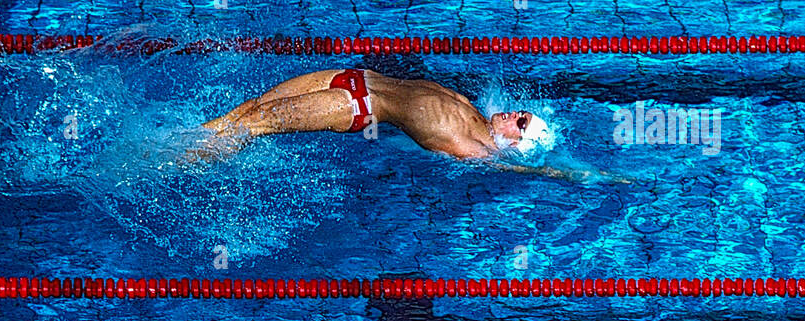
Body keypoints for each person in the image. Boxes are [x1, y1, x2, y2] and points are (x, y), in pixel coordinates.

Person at [196, 67, 564, 172]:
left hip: (355, 105)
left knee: (256, 123)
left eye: (521, 123)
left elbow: (521, 170)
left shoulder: (477, 149)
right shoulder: (471, 107)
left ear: (515, 144)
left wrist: (578, 175)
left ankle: (177, 163)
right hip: (352, 76)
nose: (516, 114)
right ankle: (188, 139)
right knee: (251, 107)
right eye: (522, 113)